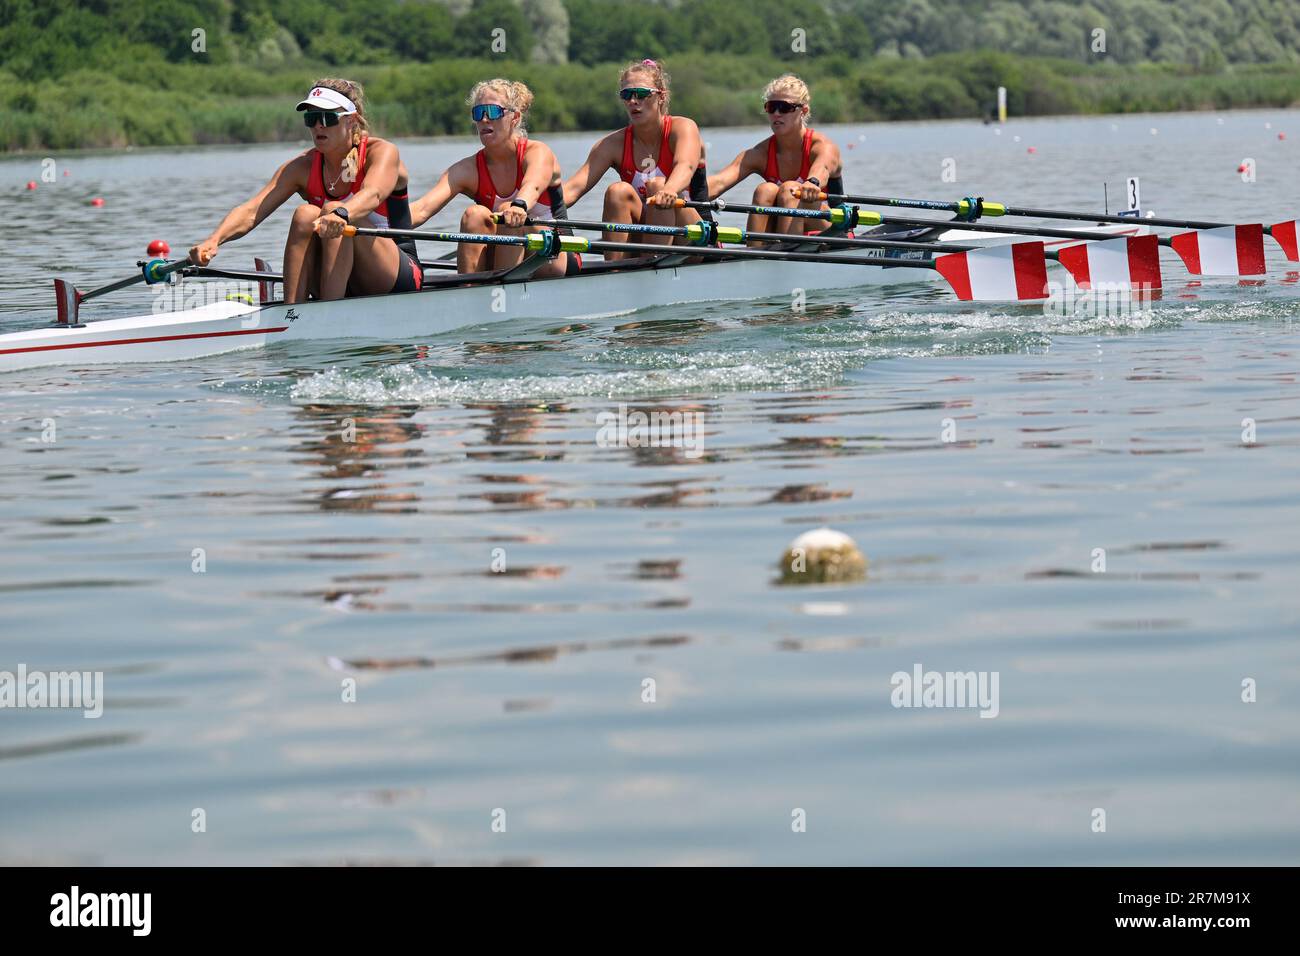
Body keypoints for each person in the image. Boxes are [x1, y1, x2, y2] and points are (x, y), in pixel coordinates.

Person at [188, 79, 419, 303]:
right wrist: (214, 240)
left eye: (328, 118)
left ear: (351, 120)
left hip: (396, 273)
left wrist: (340, 214)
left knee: (332, 209)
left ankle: (328, 312)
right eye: (311, 118)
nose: (318, 125)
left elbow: (373, 194)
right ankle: (293, 314)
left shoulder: (381, 152)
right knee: (304, 215)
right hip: (342, 273)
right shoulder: (303, 166)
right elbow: (251, 211)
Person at [408, 80, 575, 276]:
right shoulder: (467, 169)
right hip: (506, 254)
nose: (484, 120)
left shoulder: (537, 152)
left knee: (506, 211)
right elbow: (422, 209)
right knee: (474, 215)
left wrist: (519, 206)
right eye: (478, 113)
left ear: (514, 117)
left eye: (493, 112)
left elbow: (533, 186)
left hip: (554, 254)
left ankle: (500, 295)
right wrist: (373, 223)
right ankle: (472, 290)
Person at [562, 59, 710, 260]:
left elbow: (686, 166)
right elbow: (572, 190)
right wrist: (525, 206)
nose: (633, 101)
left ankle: (652, 270)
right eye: (626, 95)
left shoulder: (682, 128)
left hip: (692, 237)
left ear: (661, 97)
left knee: (657, 185)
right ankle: (616, 274)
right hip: (648, 236)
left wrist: (669, 190)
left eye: (641, 94)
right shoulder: (612, 144)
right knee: (617, 191)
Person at [706, 74, 846, 242]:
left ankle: (786, 257)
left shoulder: (823, 146)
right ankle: (756, 256)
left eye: (784, 107)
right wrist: (678, 192)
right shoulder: (760, 153)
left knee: (790, 189)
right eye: (772, 107)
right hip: (787, 229)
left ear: (804, 111)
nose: (777, 114)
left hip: (830, 230)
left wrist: (813, 182)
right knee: (765, 190)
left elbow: (822, 168)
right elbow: (719, 182)